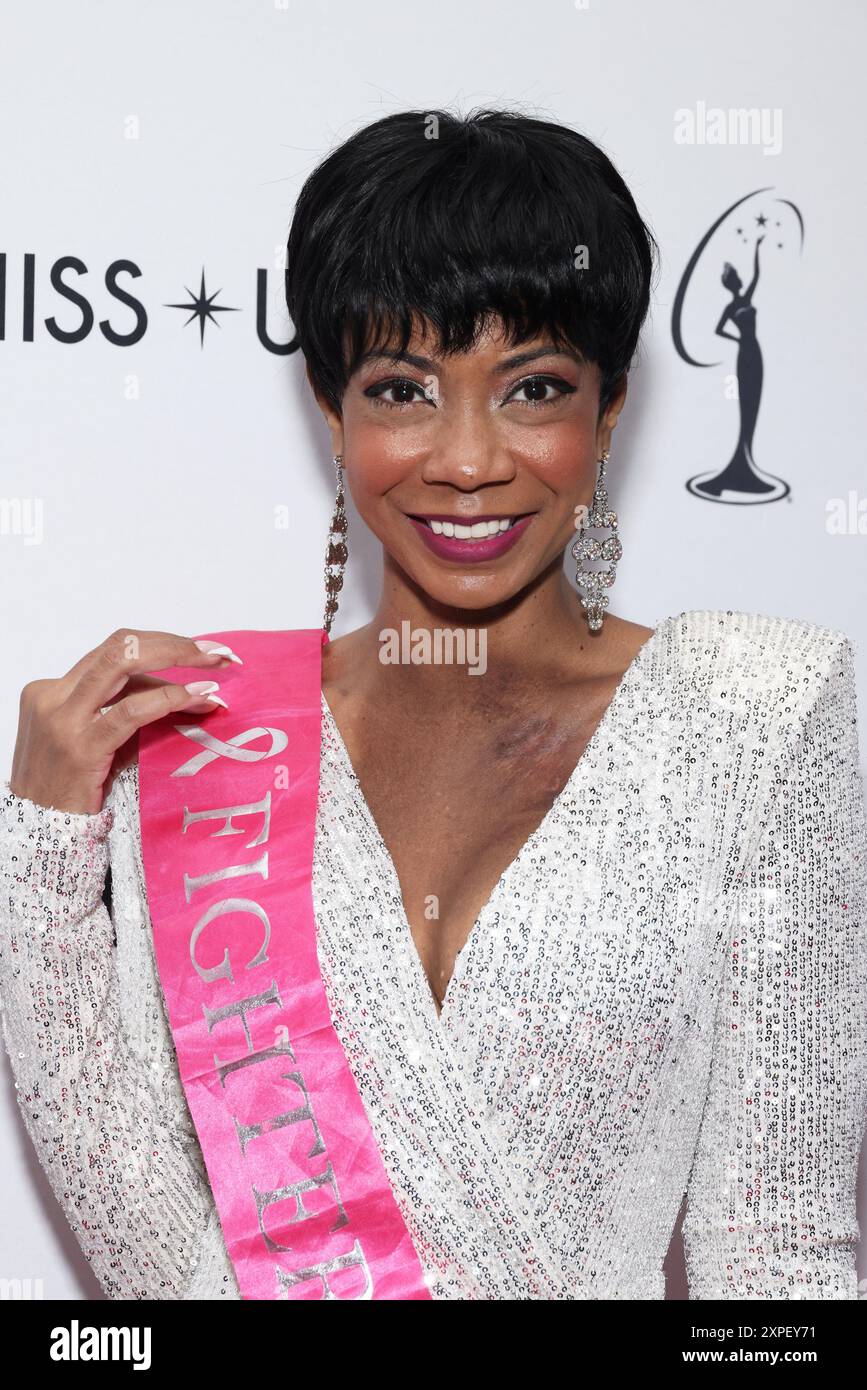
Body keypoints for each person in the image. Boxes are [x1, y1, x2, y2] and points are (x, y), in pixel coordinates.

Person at [1, 107, 866, 1301]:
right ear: (331, 410)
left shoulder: (754, 715)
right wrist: (44, 854)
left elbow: (781, 1258)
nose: (466, 458)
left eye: (533, 387)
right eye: (403, 387)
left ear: (609, 408)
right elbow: (171, 1278)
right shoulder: (208, 738)